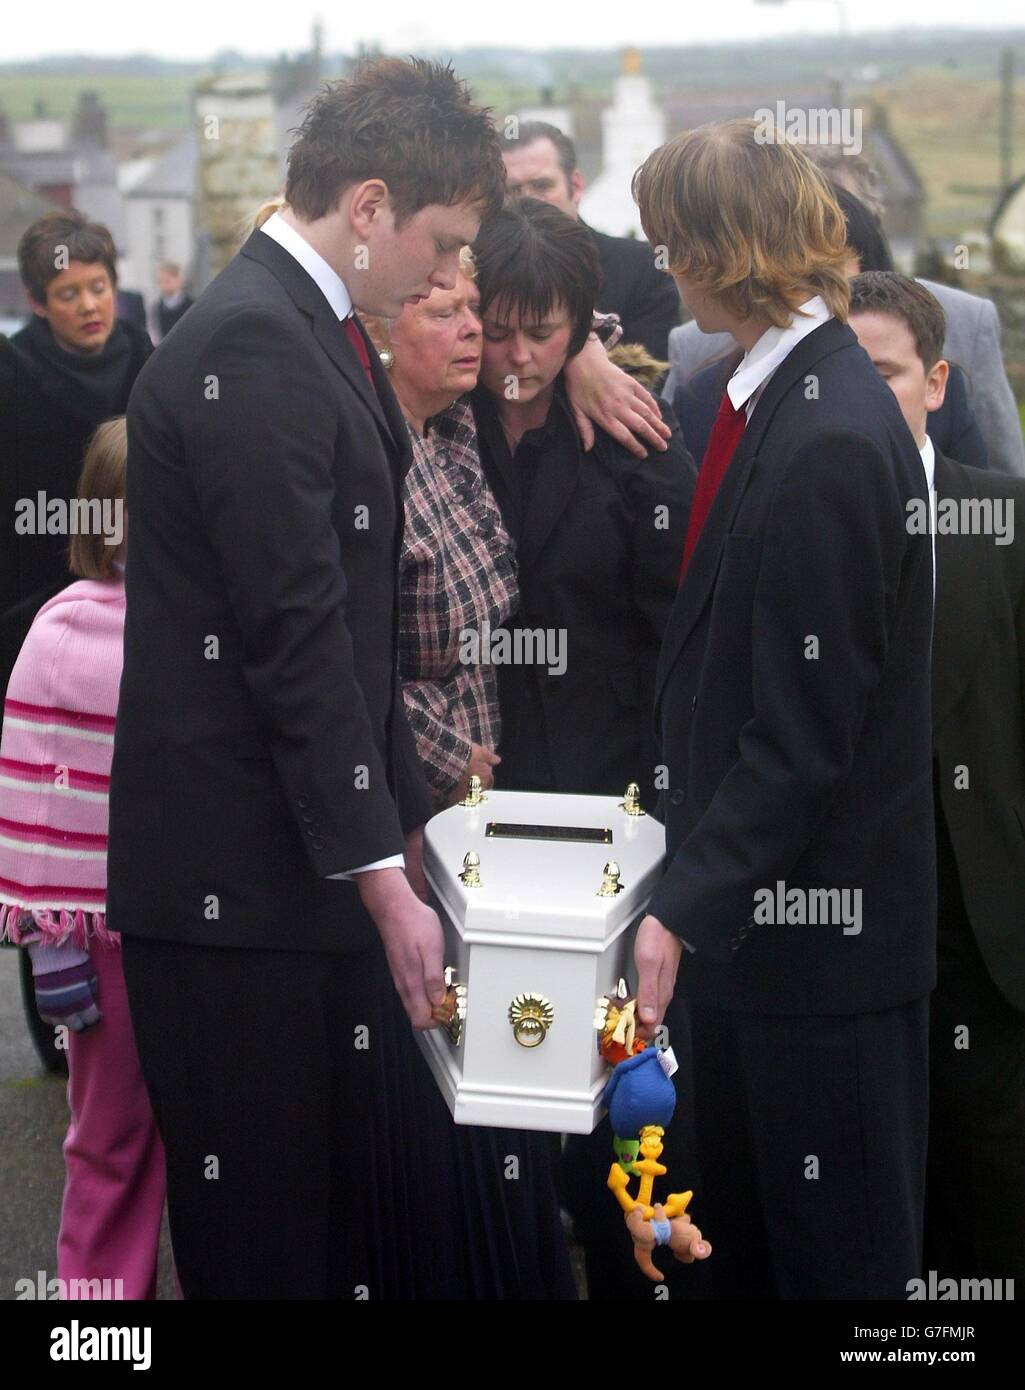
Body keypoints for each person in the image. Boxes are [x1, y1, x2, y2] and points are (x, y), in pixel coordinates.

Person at [107, 57, 506, 1300]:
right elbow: (297, 636)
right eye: (437, 245)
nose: (444, 279)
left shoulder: (302, 323)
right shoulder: (255, 342)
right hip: (236, 896)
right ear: (370, 203)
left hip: (288, 884)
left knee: (329, 1238)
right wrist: (386, 882)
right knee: (271, 1247)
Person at [631, 119, 935, 1300]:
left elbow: (803, 734)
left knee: (836, 1275)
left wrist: (683, 909)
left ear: (719, 251)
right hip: (769, 953)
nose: (661, 265)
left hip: (822, 965)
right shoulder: (770, 399)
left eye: (671, 244)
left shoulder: (825, 438)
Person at [848, 271, 1025, 1287]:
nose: (866, 398)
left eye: (887, 372)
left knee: (994, 1197)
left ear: (937, 381)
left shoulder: (1004, 523)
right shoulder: (792, 532)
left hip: (987, 931)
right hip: (848, 934)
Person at [0, 418, 166, 1300]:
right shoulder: (60, 634)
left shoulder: (210, 624)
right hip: (102, 948)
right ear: (105, 518)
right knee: (107, 1141)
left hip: (201, 935)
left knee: (218, 1147)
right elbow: (33, 803)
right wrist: (53, 948)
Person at [469, 197, 696, 806]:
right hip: (475, 765)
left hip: (610, 764)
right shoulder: (437, 426)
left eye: (542, 334)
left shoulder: (634, 431)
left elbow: (679, 616)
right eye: (497, 333)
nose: (519, 356)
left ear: (579, 325)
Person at [663, 178, 1025, 479]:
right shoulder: (708, 394)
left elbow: (988, 508)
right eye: (804, 283)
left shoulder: (936, 393)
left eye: (837, 284)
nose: (821, 304)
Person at [0, 212, 152, 701]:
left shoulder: (146, 362)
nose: (90, 305)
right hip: (34, 606)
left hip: (140, 600)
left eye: (99, 287)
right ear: (37, 303)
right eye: (69, 294)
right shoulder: (13, 376)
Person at [501, 121, 681, 358]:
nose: (528, 200)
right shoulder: (477, 271)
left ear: (575, 186)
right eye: (512, 190)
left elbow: (645, 387)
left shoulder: (642, 270)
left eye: (541, 185)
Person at [154, 262, 193, 340]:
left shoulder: (192, 305)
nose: (163, 285)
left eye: (167, 281)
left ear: (179, 280)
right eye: (160, 281)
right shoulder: (157, 307)